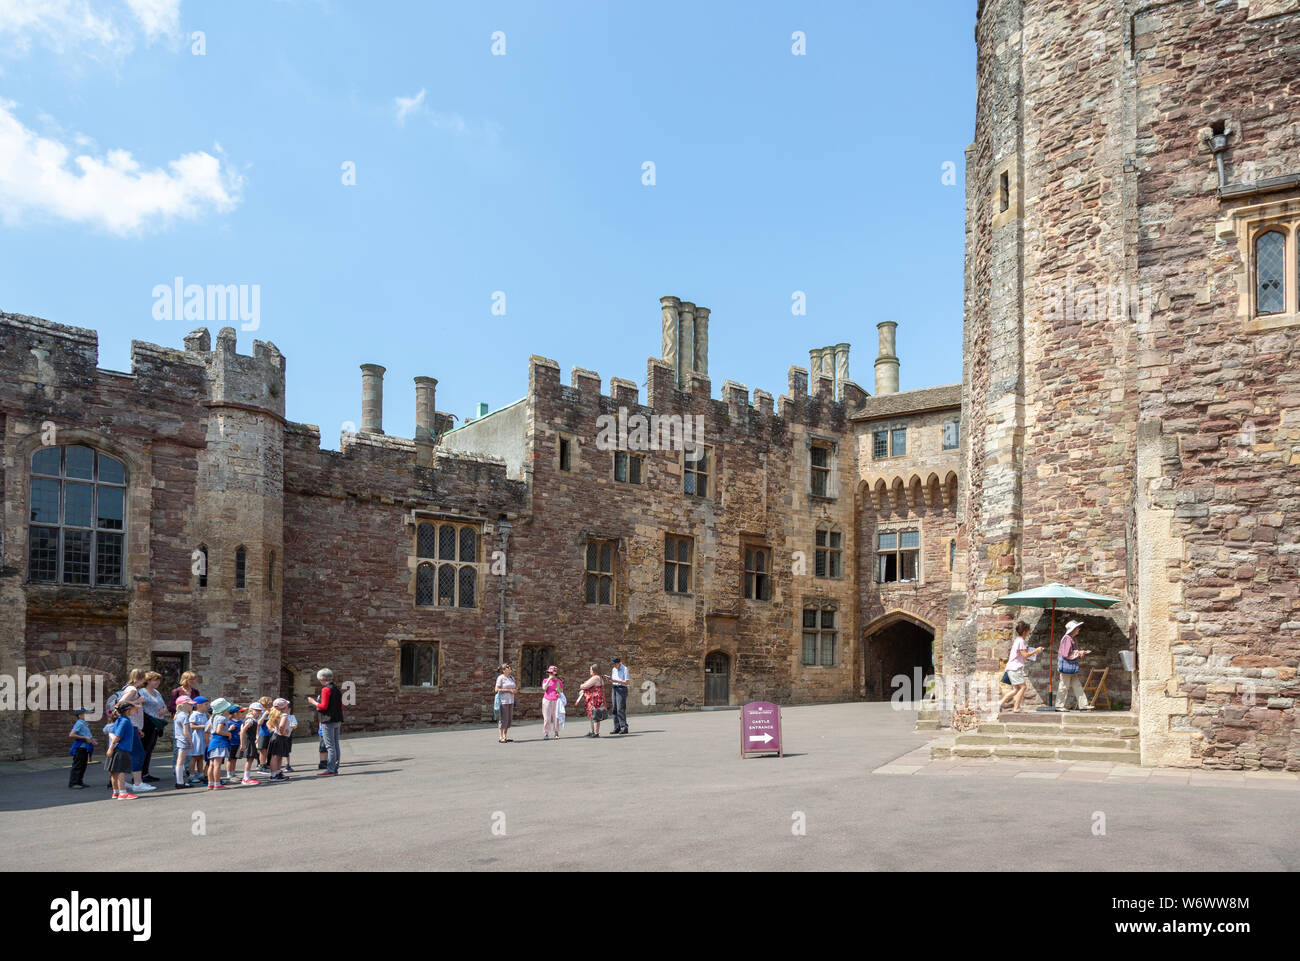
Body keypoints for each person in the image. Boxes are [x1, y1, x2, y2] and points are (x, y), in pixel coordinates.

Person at [117, 669, 155, 793]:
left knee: (133, 753)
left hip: (133, 725)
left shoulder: (128, 688)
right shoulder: (132, 690)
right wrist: (137, 702)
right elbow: (120, 705)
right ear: (141, 678)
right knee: (138, 753)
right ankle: (138, 783)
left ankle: (127, 781)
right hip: (131, 725)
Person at [998, 621, 1044, 713]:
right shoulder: (1021, 641)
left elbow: (1023, 654)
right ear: (1024, 632)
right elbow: (1025, 655)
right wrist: (1036, 650)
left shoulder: (1017, 640)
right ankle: (1016, 708)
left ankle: (1000, 703)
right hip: (1014, 669)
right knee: (1023, 687)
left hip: (1011, 668)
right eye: (1028, 630)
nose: (1030, 632)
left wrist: (1033, 651)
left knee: (1016, 689)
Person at [308, 669, 343, 776]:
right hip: (337, 718)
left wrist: (313, 702)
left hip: (327, 719)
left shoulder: (325, 690)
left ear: (322, 679)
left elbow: (323, 706)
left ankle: (331, 769)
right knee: (335, 744)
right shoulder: (336, 688)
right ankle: (335, 767)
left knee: (330, 746)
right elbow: (340, 705)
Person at [105, 701, 142, 800]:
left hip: (116, 749)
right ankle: (123, 793)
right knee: (121, 771)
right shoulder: (125, 721)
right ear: (127, 710)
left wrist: (112, 746)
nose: (133, 711)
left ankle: (115, 792)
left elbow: (111, 733)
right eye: (132, 709)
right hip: (122, 749)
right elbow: (118, 737)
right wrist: (111, 748)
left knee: (114, 772)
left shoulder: (119, 719)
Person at [137, 671, 169, 783]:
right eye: (155, 680)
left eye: (159, 680)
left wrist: (164, 710)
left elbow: (164, 704)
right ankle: (139, 775)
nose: (158, 682)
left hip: (156, 724)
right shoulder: (142, 692)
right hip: (147, 723)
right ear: (148, 681)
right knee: (144, 749)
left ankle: (146, 773)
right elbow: (138, 706)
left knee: (149, 749)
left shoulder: (156, 692)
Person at [1055, 620, 1093, 712]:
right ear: (1073, 629)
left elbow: (1069, 654)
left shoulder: (1069, 639)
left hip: (1070, 666)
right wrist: (1079, 652)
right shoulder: (1067, 639)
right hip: (1067, 666)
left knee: (1077, 685)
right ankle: (1059, 706)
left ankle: (1083, 705)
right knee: (1064, 686)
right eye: (1077, 628)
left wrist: (1079, 653)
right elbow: (1066, 654)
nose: (1079, 629)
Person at [204, 699, 234, 789]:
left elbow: (207, 730)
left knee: (211, 764)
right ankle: (217, 783)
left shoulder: (213, 718)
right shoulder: (222, 718)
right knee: (217, 765)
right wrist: (228, 733)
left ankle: (211, 783)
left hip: (213, 742)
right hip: (219, 742)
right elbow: (219, 731)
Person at [575, 664, 606, 738]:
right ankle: (593, 732)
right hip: (594, 699)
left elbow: (584, 686)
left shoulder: (595, 677)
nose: (590, 671)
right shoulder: (598, 677)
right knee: (592, 715)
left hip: (595, 699)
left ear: (594, 670)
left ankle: (596, 733)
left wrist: (582, 686)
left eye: (591, 670)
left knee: (595, 716)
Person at [266, 698, 293, 782]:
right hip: (279, 737)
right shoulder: (284, 715)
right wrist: (283, 732)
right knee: (275, 756)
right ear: (285, 707)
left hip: (276, 736)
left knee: (277, 756)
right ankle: (274, 775)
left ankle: (277, 772)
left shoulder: (276, 714)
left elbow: (270, 723)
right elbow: (281, 726)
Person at [68, 707, 94, 789]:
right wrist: (85, 738)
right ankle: (73, 783)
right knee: (78, 765)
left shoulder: (84, 723)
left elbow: (86, 735)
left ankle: (79, 781)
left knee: (83, 765)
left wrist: (92, 740)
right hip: (80, 748)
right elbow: (71, 734)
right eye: (86, 714)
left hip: (84, 748)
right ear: (80, 715)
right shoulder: (79, 723)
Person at [238, 703, 263, 785]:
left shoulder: (252, 719)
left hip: (251, 740)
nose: (258, 713)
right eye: (256, 711)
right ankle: (246, 778)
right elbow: (242, 732)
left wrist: (256, 737)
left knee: (250, 759)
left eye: (260, 711)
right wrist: (242, 743)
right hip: (248, 741)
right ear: (251, 710)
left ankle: (247, 777)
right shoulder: (250, 720)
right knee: (249, 759)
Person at [187, 696, 210, 783]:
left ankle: (200, 774)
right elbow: (191, 726)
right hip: (196, 738)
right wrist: (203, 726)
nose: (207, 706)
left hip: (203, 737)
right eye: (205, 704)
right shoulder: (194, 714)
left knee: (200, 756)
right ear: (199, 705)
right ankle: (191, 775)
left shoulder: (204, 714)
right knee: (194, 756)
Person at [172, 696, 193, 789]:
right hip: (183, 740)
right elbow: (186, 731)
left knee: (180, 761)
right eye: (190, 704)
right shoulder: (184, 716)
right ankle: (179, 782)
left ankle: (180, 781)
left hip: (179, 739)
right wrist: (190, 741)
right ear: (184, 704)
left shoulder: (178, 715)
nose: (191, 706)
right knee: (181, 761)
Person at [494, 664, 517, 743]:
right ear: (503, 670)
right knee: (503, 718)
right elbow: (496, 689)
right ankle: (501, 737)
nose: (510, 669)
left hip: (511, 701)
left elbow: (514, 687)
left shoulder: (511, 678)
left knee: (508, 719)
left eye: (510, 668)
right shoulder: (500, 678)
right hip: (503, 701)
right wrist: (509, 690)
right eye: (508, 668)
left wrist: (514, 690)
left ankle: (505, 736)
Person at [607, 656, 629, 734]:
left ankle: (624, 727)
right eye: (613, 664)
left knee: (620, 708)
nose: (613, 666)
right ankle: (617, 727)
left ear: (619, 663)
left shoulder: (625, 669)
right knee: (615, 709)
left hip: (622, 689)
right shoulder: (614, 669)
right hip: (615, 688)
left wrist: (615, 680)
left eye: (615, 664)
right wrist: (610, 680)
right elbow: (614, 680)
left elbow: (627, 682)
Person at [540, 666, 564, 740]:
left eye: (551, 673)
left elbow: (561, 692)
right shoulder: (545, 680)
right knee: (547, 718)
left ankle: (556, 732)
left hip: (556, 700)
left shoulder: (559, 682)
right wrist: (549, 680)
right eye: (549, 673)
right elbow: (544, 688)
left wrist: (558, 693)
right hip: (546, 700)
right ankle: (546, 733)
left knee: (556, 717)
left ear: (555, 673)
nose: (550, 674)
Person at [256, 696, 273, 771]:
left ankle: (268, 764)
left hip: (271, 734)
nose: (269, 707)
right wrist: (264, 715)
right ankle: (262, 765)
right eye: (267, 705)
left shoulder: (272, 712)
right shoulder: (261, 713)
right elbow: (259, 723)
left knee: (270, 750)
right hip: (263, 734)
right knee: (263, 750)